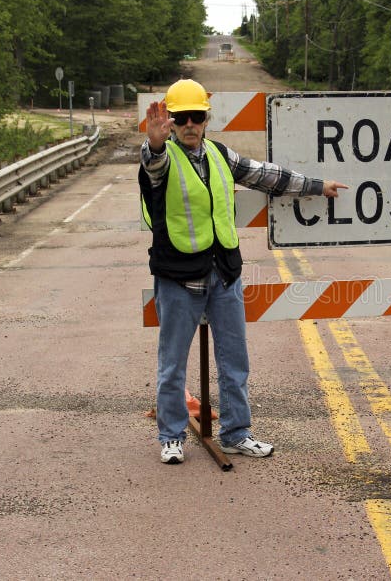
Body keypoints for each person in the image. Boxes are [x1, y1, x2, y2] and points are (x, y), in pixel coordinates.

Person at [139, 79, 348, 464]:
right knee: (172, 366)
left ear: (206, 118)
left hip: (223, 276)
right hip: (178, 278)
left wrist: (317, 186)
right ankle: (171, 437)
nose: (189, 124)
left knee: (235, 362)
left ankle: (237, 433)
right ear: (170, 120)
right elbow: (153, 165)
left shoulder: (219, 155)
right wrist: (153, 143)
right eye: (181, 117)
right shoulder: (163, 158)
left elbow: (267, 175)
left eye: (196, 116)